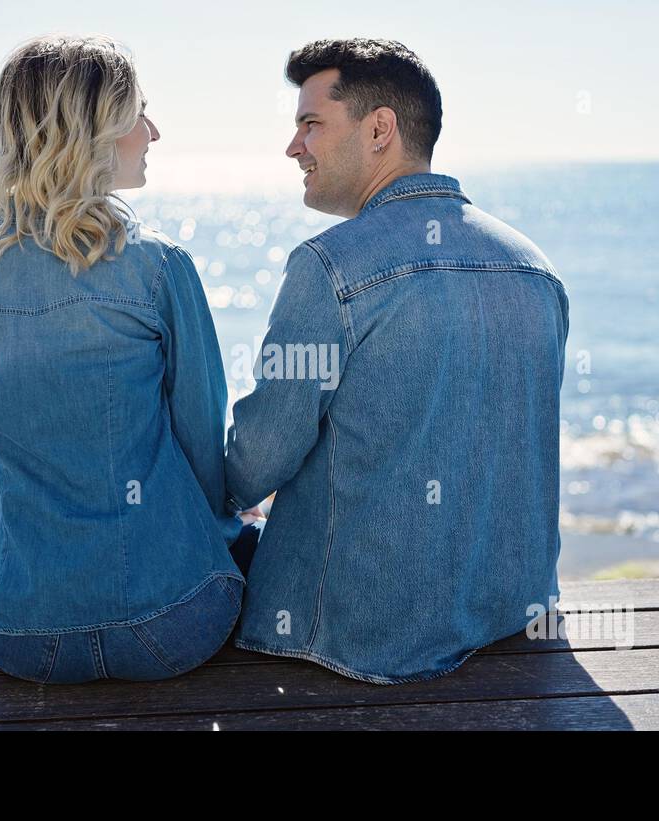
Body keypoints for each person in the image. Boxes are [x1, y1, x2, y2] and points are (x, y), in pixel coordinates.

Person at [224, 38, 570, 685]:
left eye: (310, 124)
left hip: (357, 640)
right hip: (511, 618)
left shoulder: (328, 269)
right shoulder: (536, 268)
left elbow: (255, 461)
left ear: (379, 128)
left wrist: (217, 496)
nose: (294, 147)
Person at [0, 34, 252, 685]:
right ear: (94, 130)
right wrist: (229, 533)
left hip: (17, 633)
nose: (154, 131)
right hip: (170, 624)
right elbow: (199, 438)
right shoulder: (158, 267)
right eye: (139, 112)